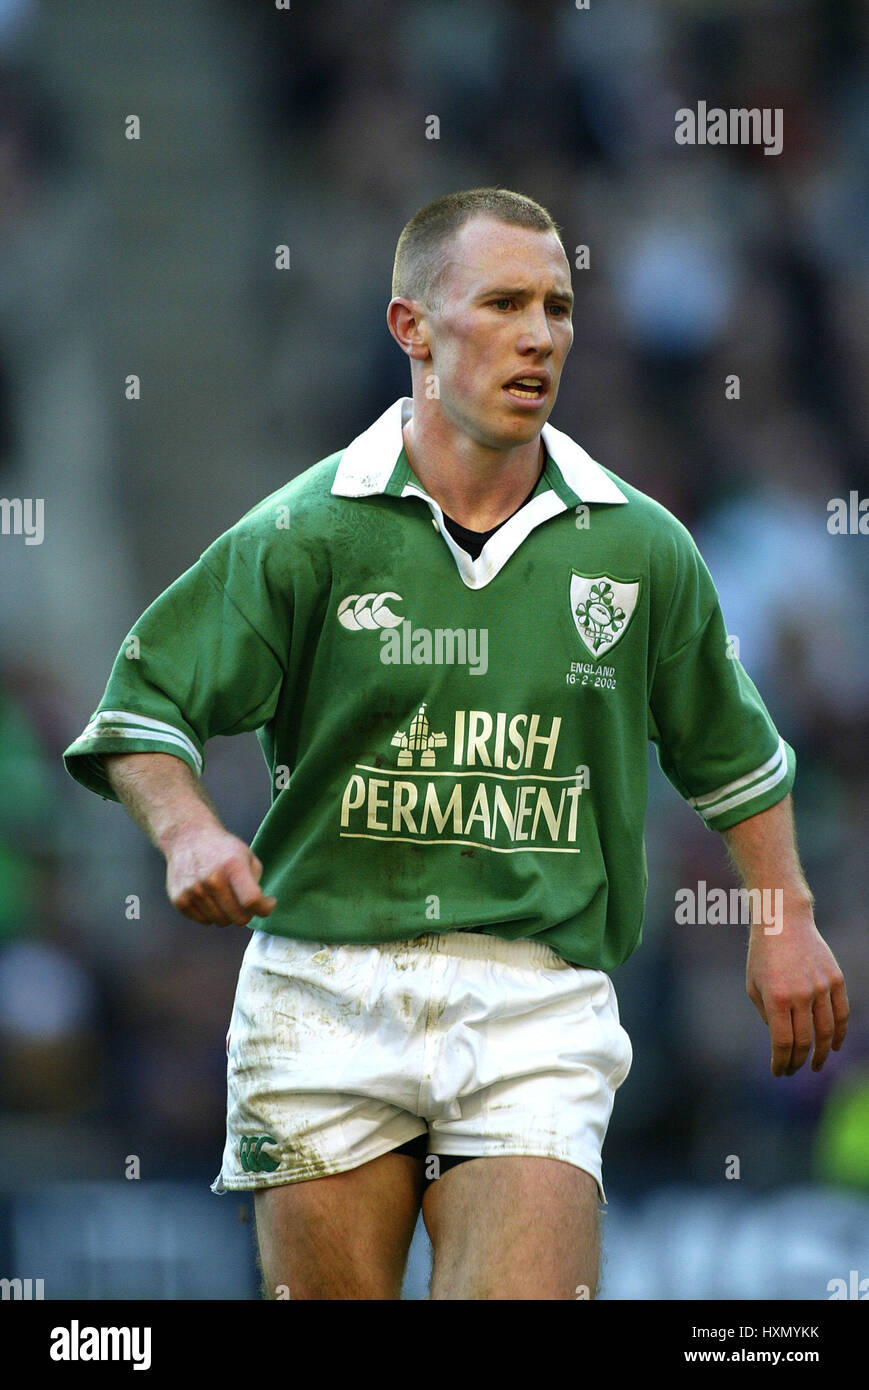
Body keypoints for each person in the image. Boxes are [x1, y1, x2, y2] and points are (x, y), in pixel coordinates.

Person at [63, 187, 849, 1301]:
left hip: (536, 997)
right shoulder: (304, 530)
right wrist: (187, 830)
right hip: (322, 989)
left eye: (559, 307)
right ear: (411, 328)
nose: (540, 335)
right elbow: (142, 708)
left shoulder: (639, 545)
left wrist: (785, 920)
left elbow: (733, 757)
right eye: (503, 303)